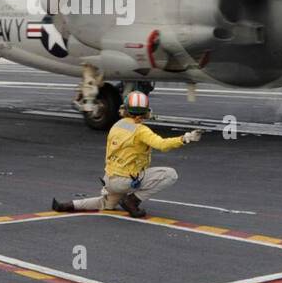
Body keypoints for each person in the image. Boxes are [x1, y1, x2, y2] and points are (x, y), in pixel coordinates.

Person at [52, 90, 202, 217]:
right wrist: (185, 138)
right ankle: (133, 201)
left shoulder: (117, 125)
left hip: (110, 179)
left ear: (126, 109)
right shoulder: (141, 130)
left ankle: (68, 205)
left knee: (106, 204)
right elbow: (161, 145)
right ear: (146, 111)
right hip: (127, 181)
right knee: (170, 174)